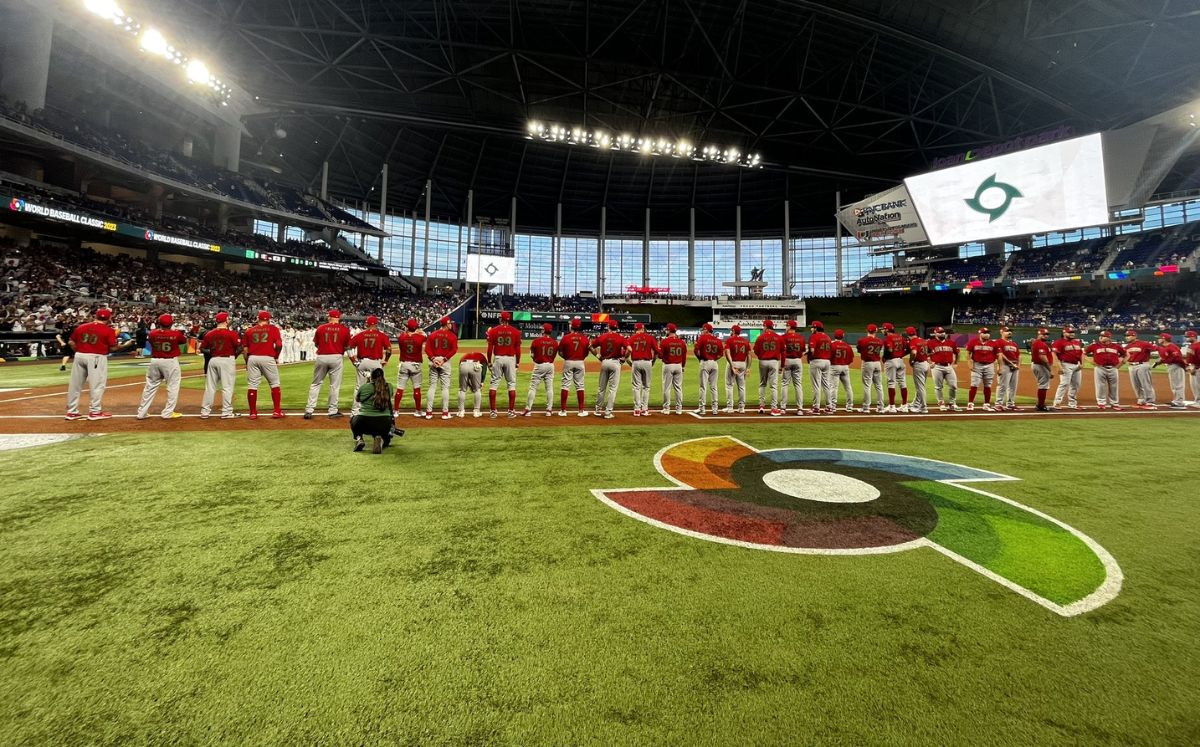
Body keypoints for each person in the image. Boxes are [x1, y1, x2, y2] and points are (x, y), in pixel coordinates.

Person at [64, 308, 134, 420]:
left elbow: (71, 342)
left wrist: (80, 351)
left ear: (95, 316)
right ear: (109, 318)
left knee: (75, 385)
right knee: (97, 385)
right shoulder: (108, 330)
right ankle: (95, 412)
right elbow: (113, 348)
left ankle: (71, 412)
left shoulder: (81, 327)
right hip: (96, 357)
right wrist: (126, 345)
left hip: (79, 355)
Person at [135, 314, 188, 420]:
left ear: (159, 323)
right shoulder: (176, 334)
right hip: (170, 362)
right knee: (172, 387)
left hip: (155, 361)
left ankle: (141, 413)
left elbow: (151, 339)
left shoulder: (153, 333)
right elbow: (183, 340)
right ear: (171, 323)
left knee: (150, 387)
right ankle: (168, 412)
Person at [304, 309, 350, 419]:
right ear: (339, 318)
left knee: (316, 384)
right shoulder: (344, 329)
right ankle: (332, 411)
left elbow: (316, 344)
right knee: (334, 385)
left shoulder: (321, 328)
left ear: (329, 317)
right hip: (336, 356)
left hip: (322, 356)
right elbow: (347, 346)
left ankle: (309, 410)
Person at [242, 310, 286, 420]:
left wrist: (247, 362)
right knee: (274, 384)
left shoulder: (249, 331)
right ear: (269, 319)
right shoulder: (273, 329)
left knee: (252, 385)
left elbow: (245, 349)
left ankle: (253, 413)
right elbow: (279, 344)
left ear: (258, 319)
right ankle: (276, 411)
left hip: (253, 358)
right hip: (267, 357)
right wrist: (276, 356)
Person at [349, 316, 393, 417]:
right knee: (379, 386)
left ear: (366, 324)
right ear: (376, 324)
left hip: (362, 362)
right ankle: (377, 408)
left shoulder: (360, 335)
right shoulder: (382, 335)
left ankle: (355, 412)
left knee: (359, 387)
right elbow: (389, 350)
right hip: (376, 363)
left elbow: (348, 347)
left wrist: (353, 360)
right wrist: (386, 360)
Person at [200, 311, 242, 419]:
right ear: (226, 321)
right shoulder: (231, 333)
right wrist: (234, 356)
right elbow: (240, 348)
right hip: (227, 359)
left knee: (210, 387)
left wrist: (213, 352)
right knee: (227, 387)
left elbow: (202, 348)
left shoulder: (209, 334)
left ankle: (205, 412)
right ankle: (226, 411)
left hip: (213, 360)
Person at [351, 367, 398, 454]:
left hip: (363, 421)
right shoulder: (389, 387)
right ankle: (380, 438)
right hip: (384, 423)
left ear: (371, 377)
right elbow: (386, 396)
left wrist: (367, 383)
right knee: (382, 431)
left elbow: (358, 399)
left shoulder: (364, 387)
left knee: (353, 419)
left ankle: (359, 438)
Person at [487, 311, 523, 418]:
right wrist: (517, 362)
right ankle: (511, 411)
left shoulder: (493, 331)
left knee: (494, 384)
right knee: (511, 384)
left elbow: (490, 349)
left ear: (501, 319)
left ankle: (493, 411)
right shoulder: (516, 332)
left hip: (498, 358)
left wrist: (489, 361)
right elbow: (518, 350)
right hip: (510, 359)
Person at [424, 317, 459, 419]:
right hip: (445, 362)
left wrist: (433, 359)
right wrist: (444, 360)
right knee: (445, 388)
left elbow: (427, 349)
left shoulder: (432, 334)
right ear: (446, 324)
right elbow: (454, 350)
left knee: (432, 387)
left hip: (434, 361)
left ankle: (428, 413)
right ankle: (445, 413)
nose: (451, 325)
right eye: (449, 323)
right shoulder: (452, 336)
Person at [591, 319, 626, 419]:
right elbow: (629, 349)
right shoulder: (620, 338)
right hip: (615, 363)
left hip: (605, 362)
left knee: (601, 388)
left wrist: (598, 356)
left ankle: (598, 410)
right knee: (612, 389)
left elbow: (590, 346)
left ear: (608, 327)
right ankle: (608, 412)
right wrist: (624, 359)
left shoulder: (603, 336)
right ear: (617, 327)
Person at [557, 317, 591, 416]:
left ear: (571, 326)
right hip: (580, 362)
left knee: (565, 385)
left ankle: (563, 411)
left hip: (568, 361)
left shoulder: (565, 337)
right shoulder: (584, 338)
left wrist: (566, 357)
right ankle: (581, 411)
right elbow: (586, 353)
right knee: (580, 385)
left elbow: (560, 352)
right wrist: (581, 358)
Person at [523, 323, 559, 417]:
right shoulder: (555, 342)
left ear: (543, 330)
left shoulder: (536, 341)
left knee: (533, 387)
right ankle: (549, 410)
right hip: (550, 365)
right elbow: (554, 355)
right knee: (549, 388)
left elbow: (532, 355)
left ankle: (528, 409)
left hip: (539, 365)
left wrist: (535, 359)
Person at [1085, 330, 1125, 410]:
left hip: (1113, 368)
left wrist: (1120, 363)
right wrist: (1090, 361)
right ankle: (1101, 403)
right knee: (1100, 386)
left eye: (1103, 336)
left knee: (1114, 386)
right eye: (1100, 336)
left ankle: (1114, 403)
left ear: (1109, 338)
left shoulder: (1116, 346)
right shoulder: (1094, 346)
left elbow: (1125, 354)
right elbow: (1083, 353)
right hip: (1100, 368)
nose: (1100, 337)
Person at [394, 318, 426, 417]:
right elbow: (425, 336)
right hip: (415, 365)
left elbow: (404, 335)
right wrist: (418, 332)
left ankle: (396, 411)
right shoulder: (420, 337)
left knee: (400, 389)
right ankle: (418, 410)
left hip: (404, 364)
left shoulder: (401, 337)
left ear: (408, 327)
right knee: (417, 388)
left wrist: (409, 332)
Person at [627, 322, 659, 417]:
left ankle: (637, 410)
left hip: (636, 362)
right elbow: (657, 351)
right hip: (647, 362)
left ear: (635, 329)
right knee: (646, 387)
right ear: (643, 328)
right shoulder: (650, 338)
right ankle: (644, 409)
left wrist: (629, 362)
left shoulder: (631, 338)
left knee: (636, 387)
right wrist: (653, 361)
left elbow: (626, 352)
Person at [1122, 329, 1157, 409]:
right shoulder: (1127, 346)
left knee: (1146, 384)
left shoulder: (1144, 344)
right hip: (1131, 366)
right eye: (1126, 336)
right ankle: (1141, 400)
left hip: (1142, 365)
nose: (1126, 337)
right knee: (1136, 385)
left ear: (1134, 336)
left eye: (1128, 336)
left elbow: (1155, 349)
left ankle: (1150, 402)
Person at [1051, 326, 1084, 410]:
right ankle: (1057, 403)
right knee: (1064, 384)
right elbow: (1054, 354)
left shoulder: (1076, 342)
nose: (1072, 334)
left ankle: (1072, 403)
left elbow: (1081, 353)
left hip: (1076, 365)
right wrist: (1058, 366)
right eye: (1069, 332)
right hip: (1065, 364)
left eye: (1073, 332)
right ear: (1064, 333)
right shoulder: (1059, 342)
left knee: (1076, 385)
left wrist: (1081, 363)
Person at [753, 320, 783, 415]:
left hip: (763, 361)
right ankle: (774, 408)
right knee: (773, 386)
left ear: (766, 327)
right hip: (774, 362)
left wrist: (761, 357)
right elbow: (782, 351)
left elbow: (755, 350)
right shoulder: (779, 337)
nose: (763, 328)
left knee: (762, 384)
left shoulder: (760, 337)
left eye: (763, 326)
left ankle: (761, 406)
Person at [929, 326, 961, 411]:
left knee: (953, 386)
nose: (942, 333)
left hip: (949, 366)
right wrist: (929, 362)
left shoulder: (951, 342)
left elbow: (958, 353)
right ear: (935, 333)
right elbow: (924, 353)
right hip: (937, 367)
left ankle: (952, 403)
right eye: (939, 332)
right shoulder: (930, 343)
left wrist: (956, 363)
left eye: (943, 332)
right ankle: (941, 403)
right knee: (938, 387)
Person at [965, 327, 997, 411]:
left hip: (989, 365)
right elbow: (968, 353)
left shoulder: (993, 343)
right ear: (980, 334)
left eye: (988, 333)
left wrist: (998, 365)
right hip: (977, 365)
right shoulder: (973, 342)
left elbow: (998, 354)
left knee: (988, 385)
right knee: (974, 384)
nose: (987, 334)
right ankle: (970, 404)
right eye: (985, 333)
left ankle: (986, 404)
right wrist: (969, 363)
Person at [694, 322, 723, 414]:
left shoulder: (702, 338)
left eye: (703, 329)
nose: (702, 331)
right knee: (714, 387)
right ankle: (715, 409)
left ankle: (702, 409)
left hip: (705, 362)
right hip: (714, 363)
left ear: (706, 330)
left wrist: (699, 359)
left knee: (703, 387)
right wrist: (714, 359)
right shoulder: (718, 340)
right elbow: (721, 354)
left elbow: (696, 350)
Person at [658, 323, 688, 415]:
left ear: (669, 330)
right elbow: (684, 356)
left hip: (668, 365)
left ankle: (666, 408)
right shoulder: (682, 342)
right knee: (678, 388)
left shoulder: (664, 341)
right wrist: (683, 366)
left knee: (666, 388)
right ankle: (679, 409)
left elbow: (660, 355)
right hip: (678, 365)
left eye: (667, 330)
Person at [1154, 333, 1188, 409]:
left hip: (1176, 366)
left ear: (1164, 339)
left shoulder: (1172, 347)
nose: (1158, 339)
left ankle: (1179, 403)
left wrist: (1184, 366)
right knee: (1174, 385)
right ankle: (1176, 400)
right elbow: (1168, 358)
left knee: (1178, 385)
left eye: (1159, 338)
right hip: (1172, 366)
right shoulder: (1166, 347)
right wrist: (1161, 361)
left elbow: (1178, 358)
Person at [881, 322, 909, 413]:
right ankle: (904, 406)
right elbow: (908, 348)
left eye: (883, 329)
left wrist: (884, 357)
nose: (882, 331)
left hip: (891, 361)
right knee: (902, 383)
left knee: (891, 383)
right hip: (900, 361)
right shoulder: (901, 337)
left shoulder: (888, 338)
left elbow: (889, 349)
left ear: (887, 330)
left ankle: (892, 406)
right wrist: (901, 355)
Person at [723, 324, 751, 414]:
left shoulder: (729, 340)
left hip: (733, 362)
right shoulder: (745, 341)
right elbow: (749, 355)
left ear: (733, 331)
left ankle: (730, 407)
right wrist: (748, 367)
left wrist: (732, 365)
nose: (730, 332)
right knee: (741, 386)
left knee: (729, 385)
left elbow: (727, 352)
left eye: (731, 330)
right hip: (743, 364)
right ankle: (742, 408)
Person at [857, 324, 884, 413]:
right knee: (879, 385)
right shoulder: (880, 341)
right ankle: (881, 407)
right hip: (877, 363)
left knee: (867, 385)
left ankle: (866, 407)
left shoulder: (862, 340)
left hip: (867, 363)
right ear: (876, 331)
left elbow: (859, 350)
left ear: (867, 330)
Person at [806, 320, 833, 415]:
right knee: (826, 384)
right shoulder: (828, 337)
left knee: (816, 385)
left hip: (816, 361)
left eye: (812, 327)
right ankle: (829, 407)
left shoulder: (814, 336)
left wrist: (808, 353)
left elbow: (812, 350)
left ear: (816, 328)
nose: (811, 329)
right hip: (827, 362)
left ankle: (816, 408)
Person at [780, 320, 806, 414]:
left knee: (785, 384)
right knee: (798, 384)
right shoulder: (801, 338)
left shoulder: (783, 337)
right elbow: (803, 351)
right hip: (798, 360)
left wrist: (781, 365)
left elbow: (781, 351)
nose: (786, 327)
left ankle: (783, 408)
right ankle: (800, 408)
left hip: (787, 360)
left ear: (790, 327)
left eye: (787, 326)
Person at [993, 326, 1022, 411]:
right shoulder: (998, 342)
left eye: (1010, 331)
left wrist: (1018, 365)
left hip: (1015, 366)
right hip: (1005, 365)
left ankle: (1010, 403)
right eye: (1007, 331)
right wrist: (1011, 363)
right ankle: (998, 403)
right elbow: (1001, 354)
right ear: (1001, 332)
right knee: (1002, 385)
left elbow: (1019, 355)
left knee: (1013, 386)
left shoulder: (1014, 344)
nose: (1009, 332)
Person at [906, 326, 930, 414]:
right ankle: (915, 403)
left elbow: (914, 352)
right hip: (926, 364)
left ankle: (923, 407)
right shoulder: (923, 340)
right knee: (920, 386)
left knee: (920, 387)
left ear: (908, 334)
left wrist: (911, 360)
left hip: (919, 365)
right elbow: (929, 352)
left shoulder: (913, 341)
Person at [829, 328, 855, 412]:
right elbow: (851, 359)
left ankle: (832, 406)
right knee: (848, 387)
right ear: (843, 336)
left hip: (834, 366)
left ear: (834, 336)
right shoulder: (847, 346)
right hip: (845, 367)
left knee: (834, 387)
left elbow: (828, 356)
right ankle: (850, 406)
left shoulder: (831, 345)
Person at [1030, 327, 1054, 412]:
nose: (1046, 336)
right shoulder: (1040, 343)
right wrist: (1050, 370)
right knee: (1043, 386)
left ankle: (1040, 404)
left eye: (1047, 334)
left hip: (1038, 365)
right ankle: (1041, 405)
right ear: (1039, 334)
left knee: (1043, 385)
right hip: (1041, 365)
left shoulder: (1038, 343)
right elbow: (1042, 357)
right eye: (1044, 334)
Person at [458, 350, 487, 417]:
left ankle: (461, 412)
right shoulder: (482, 357)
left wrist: (469, 384)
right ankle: (476, 412)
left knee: (462, 390)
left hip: (463, 364)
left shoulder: (464, 356)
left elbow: (461, 369)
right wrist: (482, 382)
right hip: (475, 365)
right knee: (477, 390)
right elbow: (484, 370)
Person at [1185, 330, 1200, 407]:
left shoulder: (1198, 346)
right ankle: (1197, 400)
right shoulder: (1191, 346)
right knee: (1194, 386)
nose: (1186, 338)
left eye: (1188, 337)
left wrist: (1196, 367)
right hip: (1193, 367)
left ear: (1193, 337)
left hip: (1198, 368)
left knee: (1198, 385)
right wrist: (1189, 367)